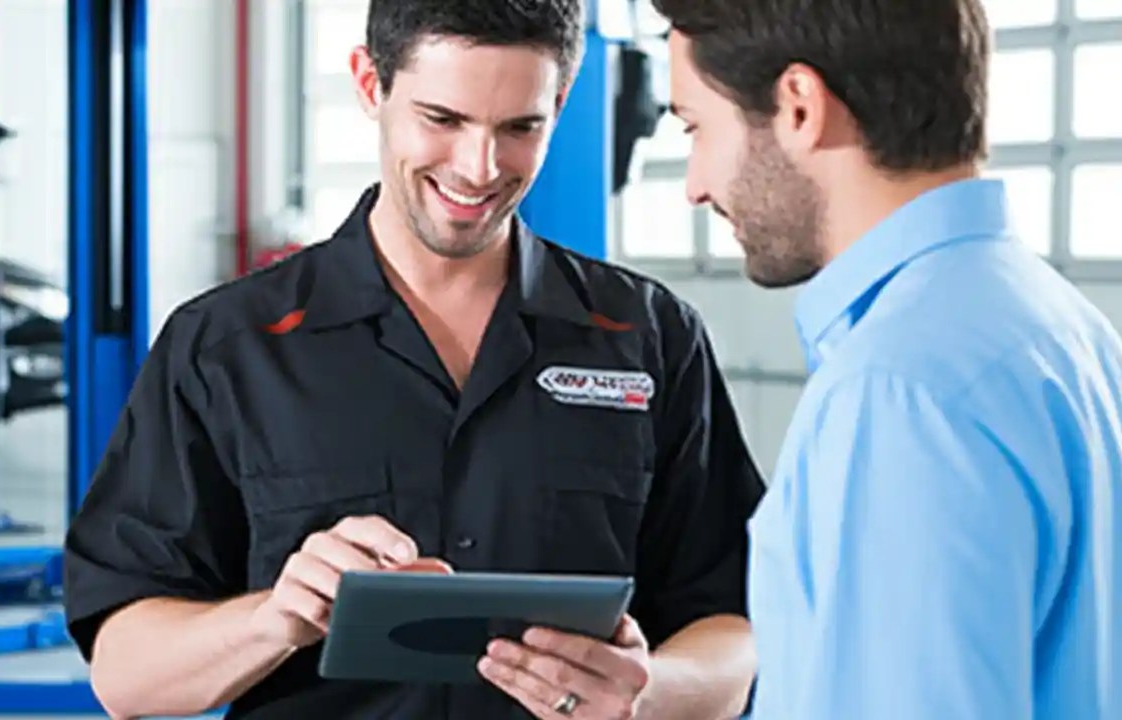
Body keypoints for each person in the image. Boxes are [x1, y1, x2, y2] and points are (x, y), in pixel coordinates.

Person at [63, 1, 766, 718]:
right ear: (371, 84)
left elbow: (734, 631)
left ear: (558, 103)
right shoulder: (227, 348)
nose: (480, 168)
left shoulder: (649, 337)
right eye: (443, 119)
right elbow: (125, 675)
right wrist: (273, 618)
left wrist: (643, 697)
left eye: (520, 127)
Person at [651, 0, 1122, 717]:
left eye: (696, 128)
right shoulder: (1066, 333)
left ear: (799, 107)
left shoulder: (898, 389)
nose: (696, 184)